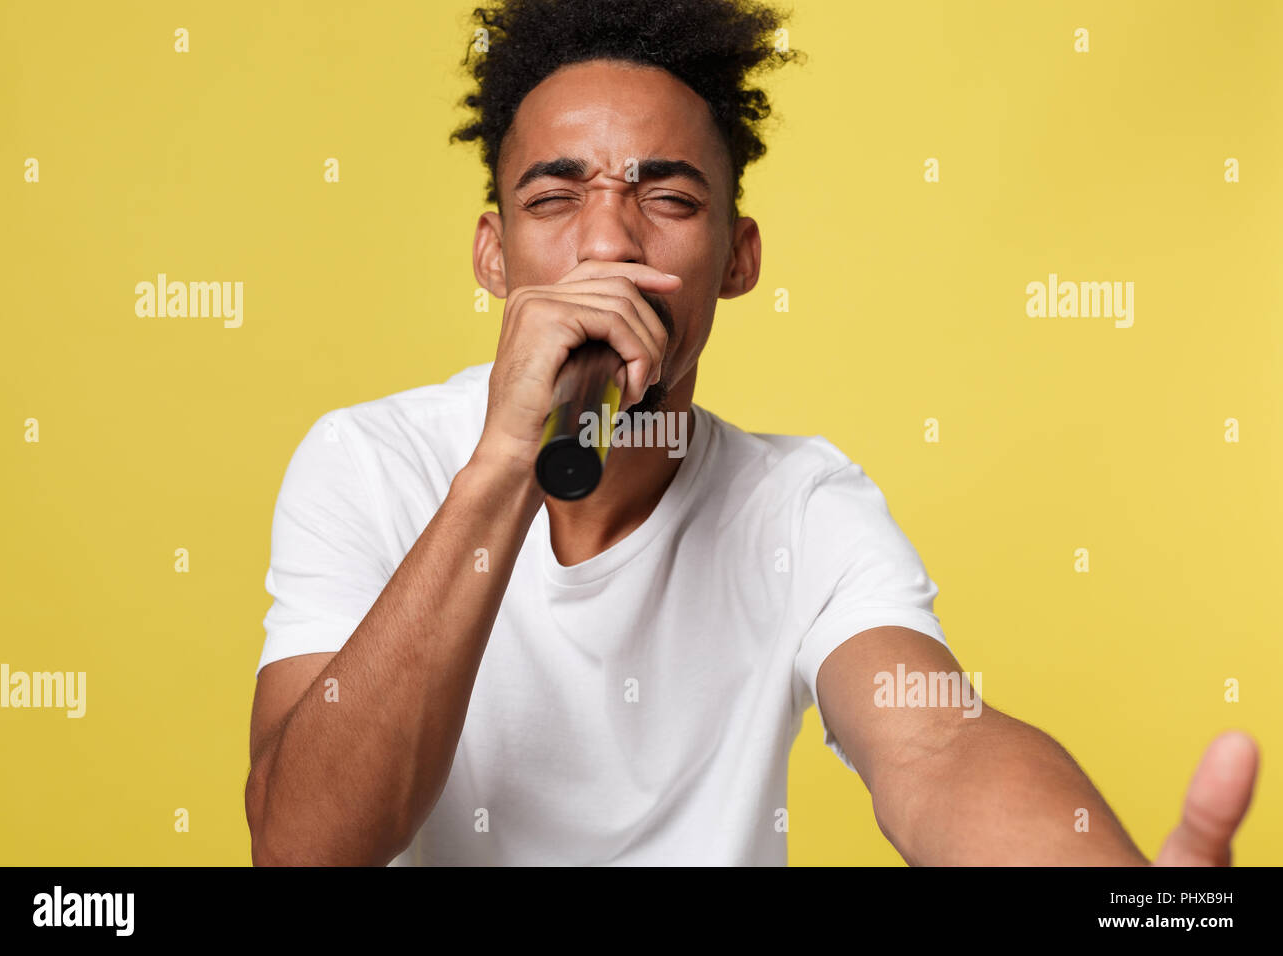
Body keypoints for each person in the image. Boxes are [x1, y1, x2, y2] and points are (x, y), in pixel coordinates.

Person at [243, 0, 1258, 866]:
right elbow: (301, 843)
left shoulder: (800, 505)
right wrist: (506, 462)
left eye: (668, 196)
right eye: (553, 198)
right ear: (493, 257)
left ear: (736, 257)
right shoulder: (368, 464)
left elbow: (936, 745)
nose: (607, 241)